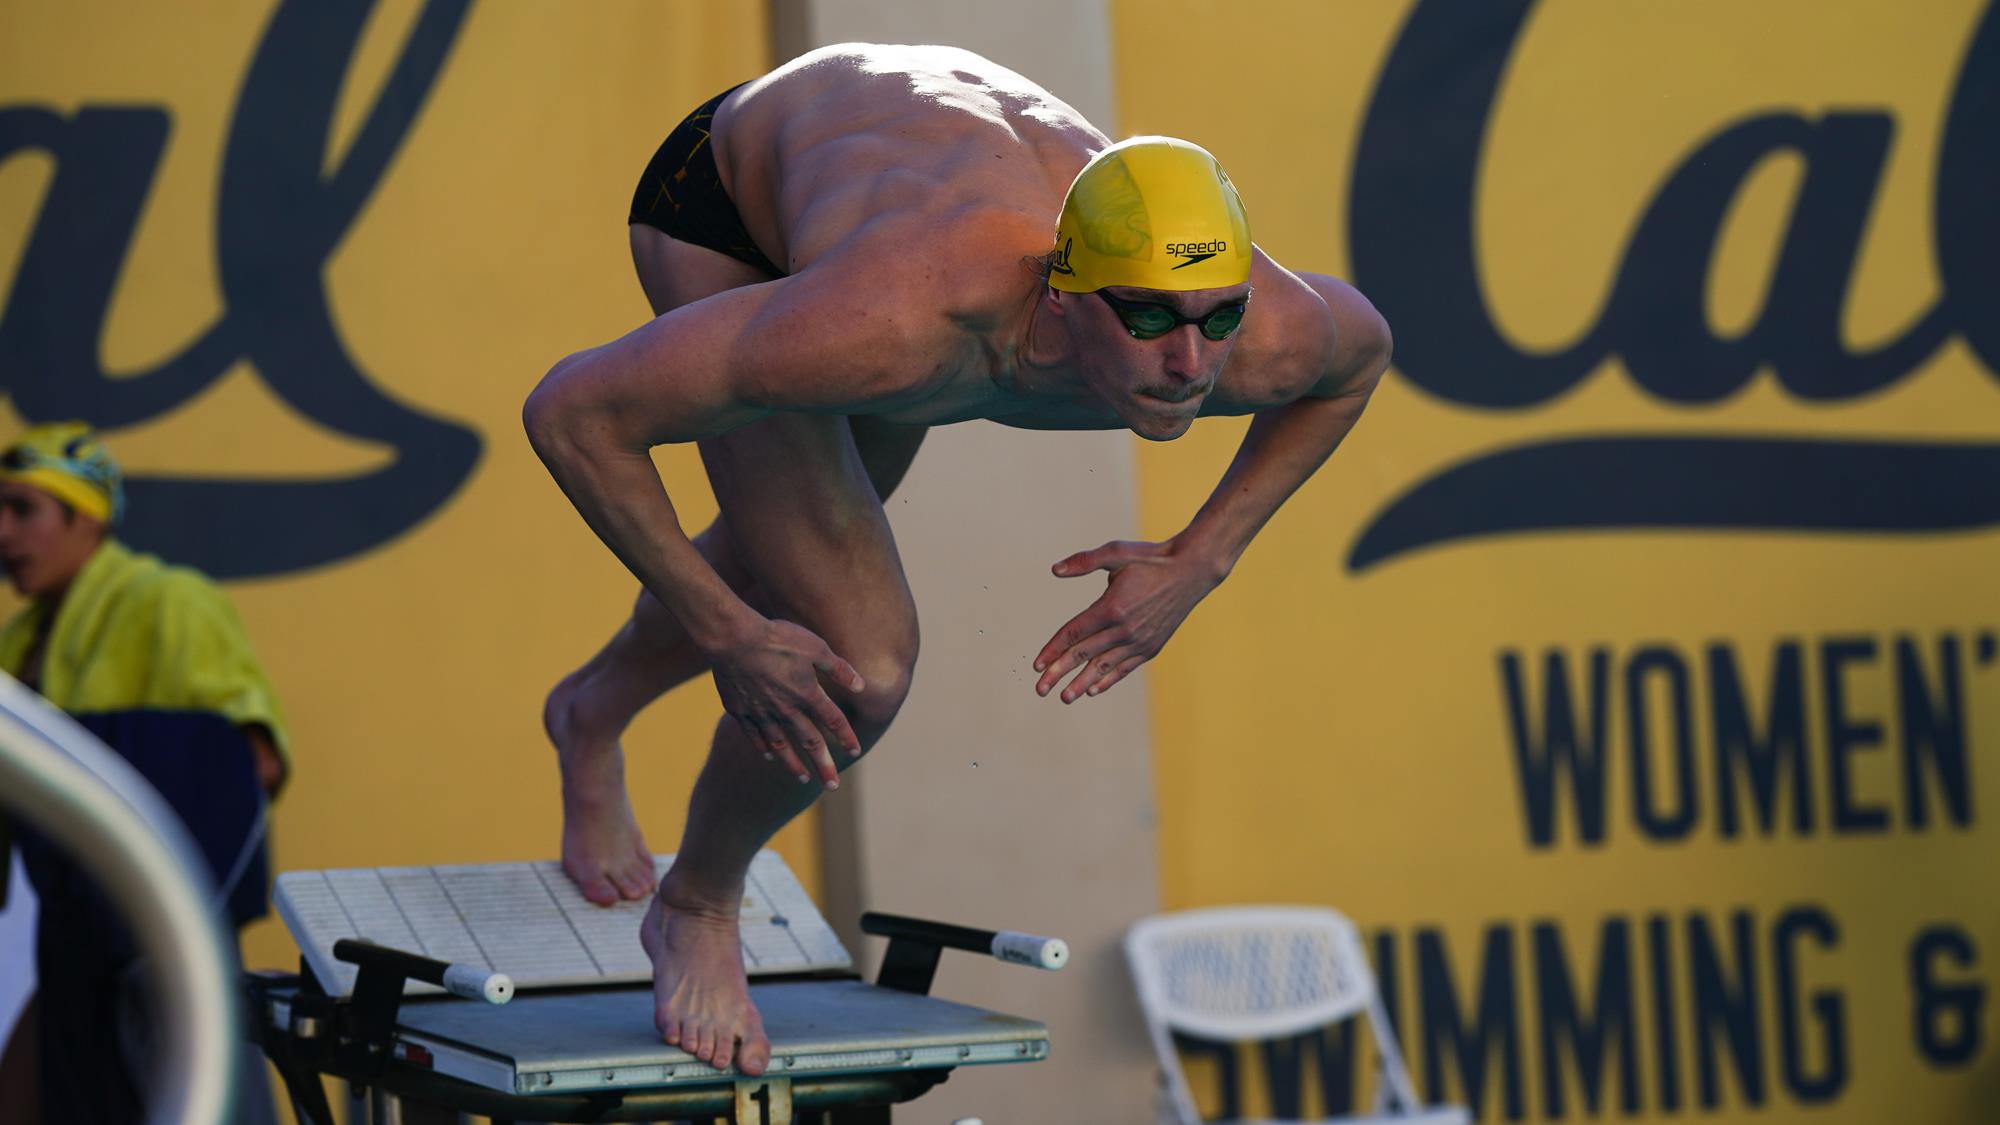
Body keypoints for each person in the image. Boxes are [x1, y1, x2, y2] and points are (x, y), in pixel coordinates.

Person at [526, 43, 1391, 1076]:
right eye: (1150, 318)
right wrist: (725, 632)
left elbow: (1359, 362)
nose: (1187, 367)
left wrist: (1200, 557)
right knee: (862, 662)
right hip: (732, 203)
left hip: (896, 186)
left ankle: (588, 708)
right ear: (1064, 296)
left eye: (1216, 319)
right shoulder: (888, 328)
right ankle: (698, 905)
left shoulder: (1269, 338)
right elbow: (573, 414)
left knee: (782, 564)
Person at [0, 422, 289, 1123]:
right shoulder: (17, 643)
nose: (2, 533)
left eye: (23, 509)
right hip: (71, 938)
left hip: (163, 935)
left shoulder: (170, 599)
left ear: (87, 516)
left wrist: (171, 905)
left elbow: (255, 759)